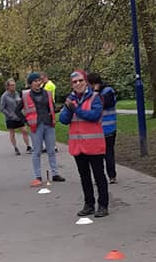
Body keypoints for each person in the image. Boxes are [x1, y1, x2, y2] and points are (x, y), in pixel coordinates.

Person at [58, 70, 108, 217]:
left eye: (80, 81)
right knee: (84, 177)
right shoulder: (70, 99)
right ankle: (89, 204)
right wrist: (68, 109)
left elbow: (94, 116)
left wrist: (76, 109)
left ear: (86, 82)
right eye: (75, 82)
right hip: (78, 146)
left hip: (94, 145)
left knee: (99, 176)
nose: (78, 84)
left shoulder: (95, 97)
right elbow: (63, 120)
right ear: (72, 85)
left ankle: (103, 205)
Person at [21, 72, 65, 186]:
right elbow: (17, 110)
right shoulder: (26, 96)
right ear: (31, 84)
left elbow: (52, 107)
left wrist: (58, 110)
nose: (38, 83)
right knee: (37, 151)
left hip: (48, 124)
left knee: (51, 150)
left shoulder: (47, 93)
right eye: (35, 81)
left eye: (39, 81)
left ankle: (55, 174)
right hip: (36, 125)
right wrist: (26, 121)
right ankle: (38, 176)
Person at [88, 71, 118, 183]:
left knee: (108, 153)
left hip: (108, 129)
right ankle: (100, 176)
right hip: (96, 130)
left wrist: (95, 92)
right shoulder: (91, 92)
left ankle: (111, 175)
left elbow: (99, 104)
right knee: (97, 155)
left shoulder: (108, 91)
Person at [0, 78, 31, 155]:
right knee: (12, 133)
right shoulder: (4, 96)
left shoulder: (16, 93)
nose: (14, 86)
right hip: (10, 117)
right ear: (8, 86)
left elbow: (20, 102)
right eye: (12, 85)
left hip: (19, 116)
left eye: (14, 85)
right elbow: (2, 108)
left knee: (24, 130)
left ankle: (28, 146)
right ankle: (15, 147)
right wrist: (10, 115)